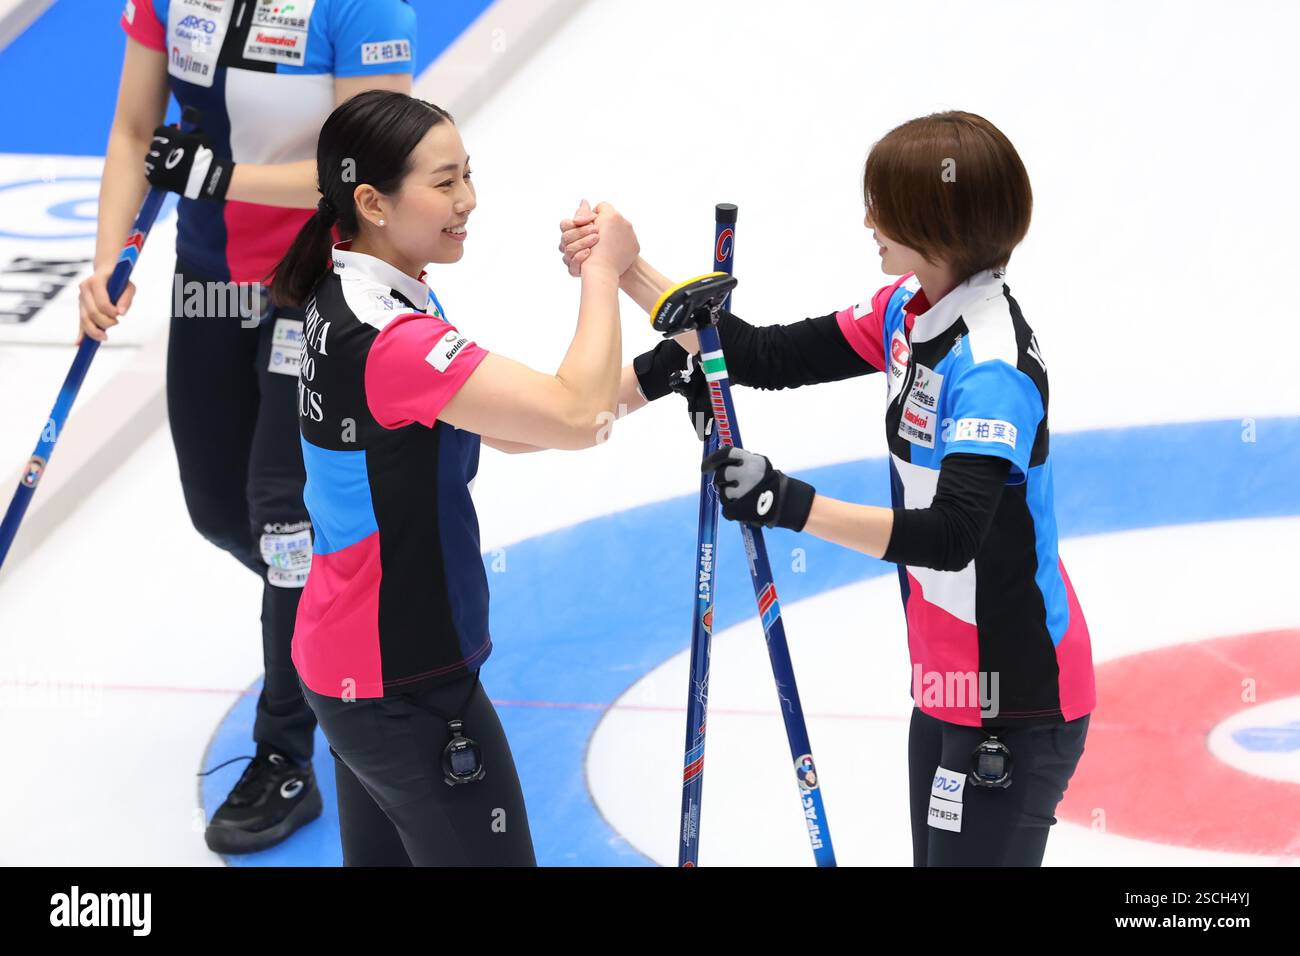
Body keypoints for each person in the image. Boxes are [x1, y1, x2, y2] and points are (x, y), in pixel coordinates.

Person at [560, 111, 1095, 867]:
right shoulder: (906, 312)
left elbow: (951, 536)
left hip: (1013, 700)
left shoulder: (991, 369)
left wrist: (787, 501)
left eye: (885, 205)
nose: (868, 220)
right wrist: (629, 267)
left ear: (935, 221)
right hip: (945, 685)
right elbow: (755, 353)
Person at [81, 0, 418, 853]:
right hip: (211, 278)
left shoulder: (358, 6)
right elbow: (133, 131)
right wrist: (104, 261)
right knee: (221, 512)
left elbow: (370, 163)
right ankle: (347, 600)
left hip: (316, 283)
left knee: (281, 521)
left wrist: (218, 175)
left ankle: (288, 752)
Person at [269, 89, 639, 866]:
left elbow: (509, 427)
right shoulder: (389, 336)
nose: (467, 200)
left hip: (355, 671)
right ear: (371, 200)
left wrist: (648, 378)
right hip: (403, 683)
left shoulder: (364, 295)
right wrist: (604, 273)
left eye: (467, 174)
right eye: (444, 183)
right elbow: (573, 417)